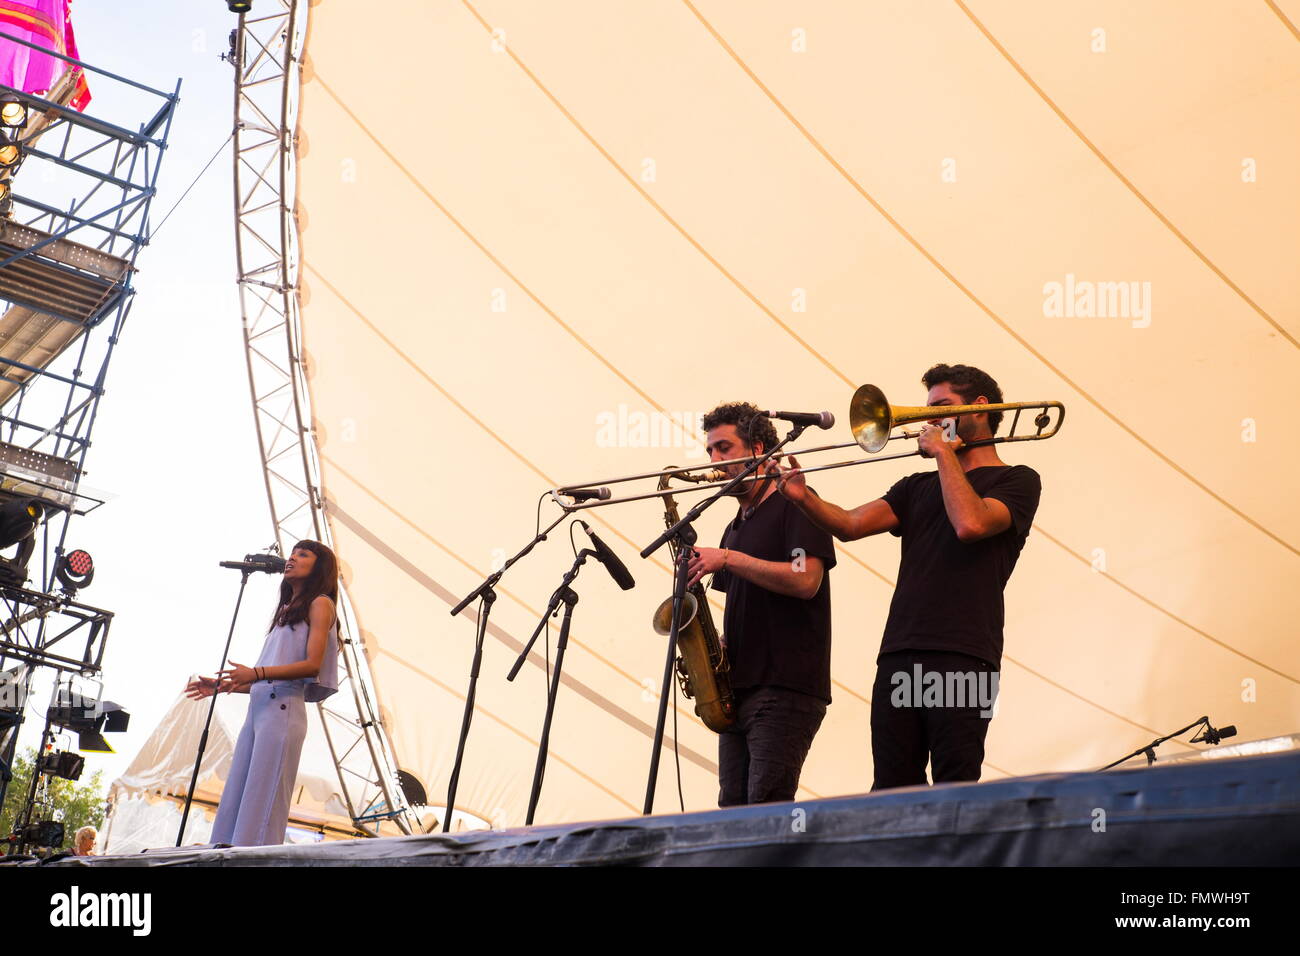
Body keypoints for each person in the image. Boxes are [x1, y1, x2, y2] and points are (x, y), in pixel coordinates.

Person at [776, 364, 1041, 790]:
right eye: (927, 408)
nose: (928, 417)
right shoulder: (915, 486)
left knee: (955, 783)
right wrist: (802, 496)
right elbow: (849, 525)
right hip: (900, 651)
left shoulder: (1018, 479)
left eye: (941, 407)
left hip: (965, 655)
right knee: (892, 786)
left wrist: (942, 454)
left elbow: (970, 524)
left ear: (980, 408)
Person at [684, 402, 836, 807]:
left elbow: (806, 580)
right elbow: (749, 607)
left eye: (724, 448)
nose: (715, 460)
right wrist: (713, 647)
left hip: (784, 687)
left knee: (765, 807)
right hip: (741, 689)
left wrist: (728, 559)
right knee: (732, 809)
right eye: (710, 451)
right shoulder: (734, 527)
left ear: (757, 448)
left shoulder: (796, 504)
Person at [185, 540, 339, 846]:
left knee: (261, 801)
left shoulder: (320, 603)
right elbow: (267, 674)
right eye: (293, 553)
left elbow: (311, 666)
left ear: (318, 567)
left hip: (283, 713)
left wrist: (255, 673)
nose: (292, 558)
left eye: (302, 554)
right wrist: (223, 685)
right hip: (258, 713)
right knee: (236, 797)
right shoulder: (286, 610)